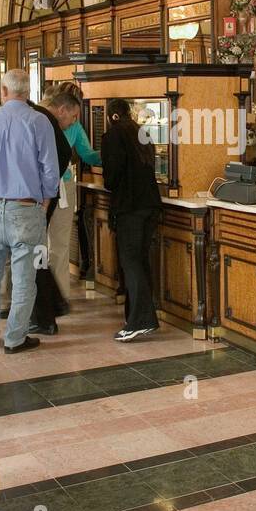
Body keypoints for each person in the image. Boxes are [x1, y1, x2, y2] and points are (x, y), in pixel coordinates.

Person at [0, 68, 59, 353]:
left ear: (3, 92)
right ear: (27, 92)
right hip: (26, 208)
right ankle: (15, 338)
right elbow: (50, 166)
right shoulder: (39, 121)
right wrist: (46, 199)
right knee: (24, 278)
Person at [102, 98, 162, 341]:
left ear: (111, 116)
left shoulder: (112, 136)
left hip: (129, 208)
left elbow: (111, 178)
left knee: (131, 262)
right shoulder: (142, 133)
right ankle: (138, 315)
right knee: (141, 260)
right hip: (150, 205)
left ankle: (141, 319)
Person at [27, 87, 77, 335]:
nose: (72, 122)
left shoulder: (38, 118)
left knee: (35, 253)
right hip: (42, 198)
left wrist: (45, 196)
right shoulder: (41, 118)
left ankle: (47, 312)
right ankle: (53, 304)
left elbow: (62, 155)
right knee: (37, 252)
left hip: (39, 200)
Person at [49, 81, 101, 297]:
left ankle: (59, 296)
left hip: (63, 186)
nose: (75, 120)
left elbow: (88, 154)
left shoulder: (75, 127)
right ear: (63, 107)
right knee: (40, 244)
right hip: (41, 186)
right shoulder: (42, 119)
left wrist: (114, 154)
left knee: (59, 244)